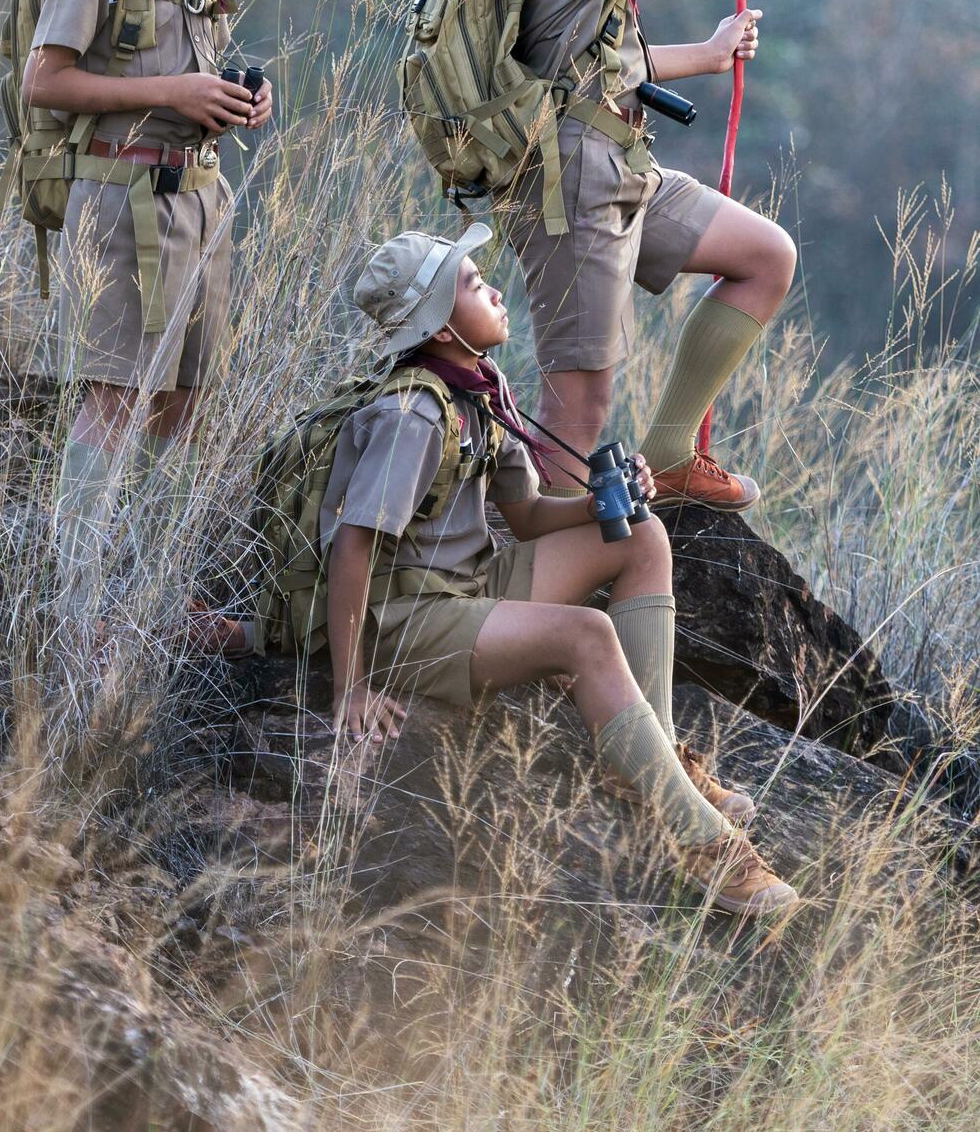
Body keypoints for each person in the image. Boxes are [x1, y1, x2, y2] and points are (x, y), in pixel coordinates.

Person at [477, 0, 970, 509]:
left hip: (614, 159)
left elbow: (576, 67)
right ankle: (537, 577)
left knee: (763, 257)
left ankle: (669, 453)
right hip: (567, 184)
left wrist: (702, 58)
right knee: (579, 408)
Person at [298, 223, 798, 918]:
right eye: (472, 285)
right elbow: (353, 547)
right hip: (409, 624)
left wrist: (602, 500)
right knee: (587, 635)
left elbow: (528, 515)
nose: (493, 288)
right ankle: (699, 843)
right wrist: (351, 687)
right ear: (441, 325)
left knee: (641, 537)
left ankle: (649, 765)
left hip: (471, 587)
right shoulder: (412, 415)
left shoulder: (479, 386)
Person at [21, 0, 274, 659]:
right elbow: (45, 80)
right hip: (121, 198)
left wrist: (228, 100)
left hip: (197, 199)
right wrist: (172, 89)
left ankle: (155, 594)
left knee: (183, 408)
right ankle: (78, 611)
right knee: (113, 406)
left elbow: (181, 79)